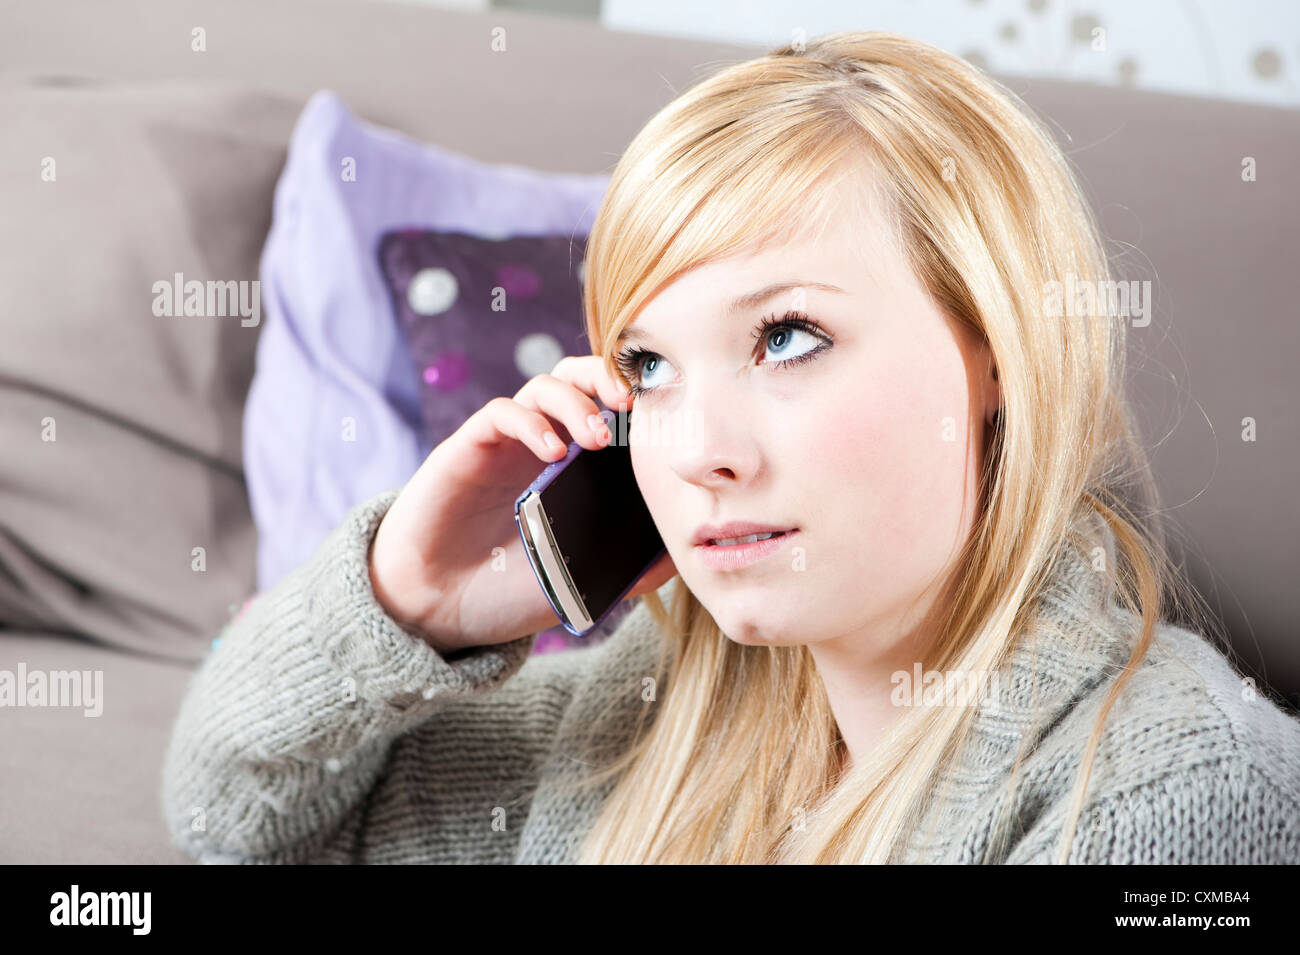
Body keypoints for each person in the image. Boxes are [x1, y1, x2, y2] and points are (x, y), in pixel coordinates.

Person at [162, 30, 1300, 864]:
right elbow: (234, 820)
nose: (700, 448)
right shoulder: (636, 712)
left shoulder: (1179, 790)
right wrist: (401, 603)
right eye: (647, 368)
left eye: (788, 336)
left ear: (996, 347)